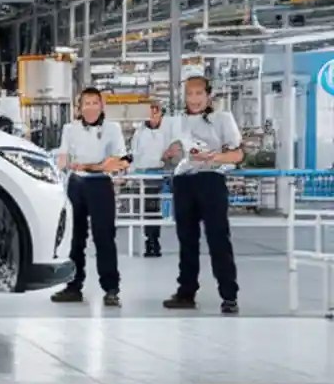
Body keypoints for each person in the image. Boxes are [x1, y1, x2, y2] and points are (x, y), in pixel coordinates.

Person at [163, 75, 243, 314]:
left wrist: (214, 158)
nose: (194, 99)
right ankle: (186, 292)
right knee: (187, 240)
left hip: (211, 179)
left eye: (199, 93)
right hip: (184, 181)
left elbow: (237, 155)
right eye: (190, 94)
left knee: (218, 238)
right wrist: (170, 153)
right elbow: (169, 155)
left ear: (208, 95)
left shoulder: (222, 119)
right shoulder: (177, 122)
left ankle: (229, 295)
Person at [51, 87, 129, 307]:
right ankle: (73, 286)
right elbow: (63, 158)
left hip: (101, 186)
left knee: (104, 237)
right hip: (76, 185)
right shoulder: (70, 129)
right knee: (75, 238)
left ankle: (111, 288)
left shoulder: (112, 129)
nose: (91, 107)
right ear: (80, 107)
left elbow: (118, 160)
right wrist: (65, 164)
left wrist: (91, 166)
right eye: (87, 103)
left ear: (101, 105)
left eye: (95, 103)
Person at [129, 101, 173, 257]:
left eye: (156, 112)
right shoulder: (140, 133)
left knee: (155, 210)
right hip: (144, 177)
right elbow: (135, 154)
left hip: (160, 175)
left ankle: (154, 240)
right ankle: (151, 241)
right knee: (149, 210)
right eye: (150, 113)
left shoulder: (167, 132)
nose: (153, 116)